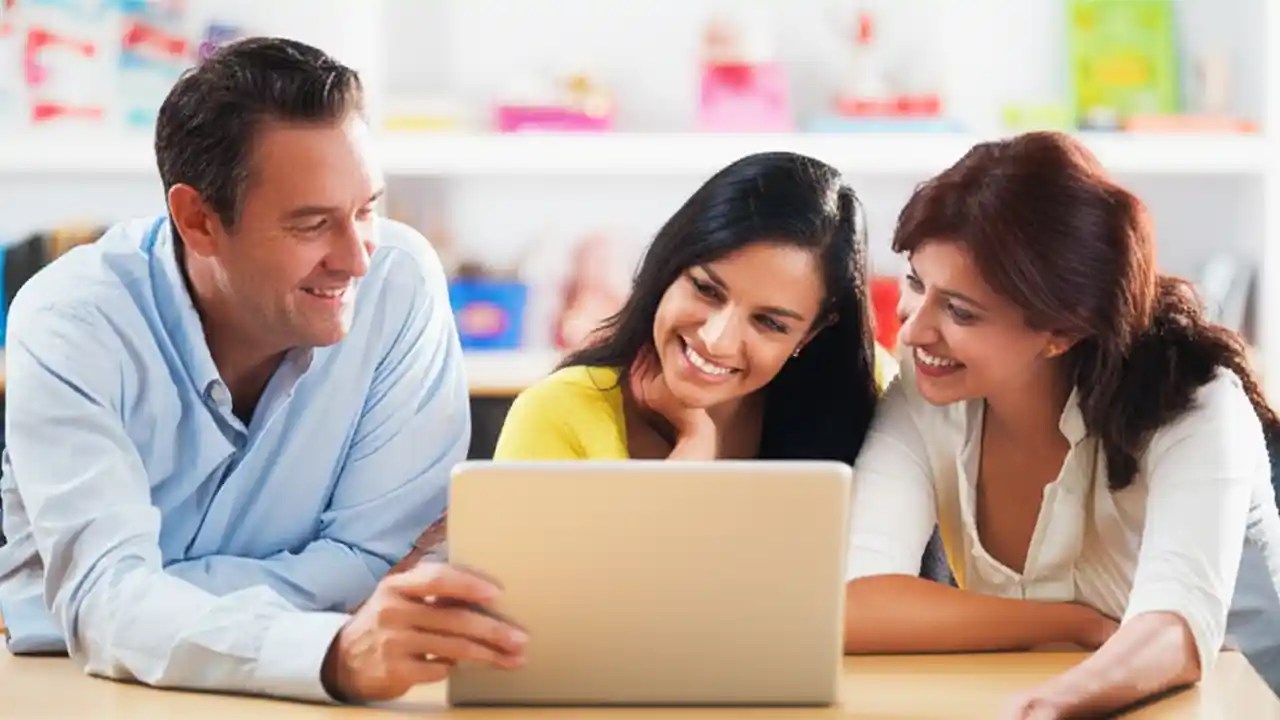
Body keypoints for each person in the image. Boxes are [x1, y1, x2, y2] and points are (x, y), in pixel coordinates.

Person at [0, 38, 526, 704]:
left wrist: (139, 605)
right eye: (312, 225)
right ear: (198, 220)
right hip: (72, 693)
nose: (357, 258)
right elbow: (106, 605)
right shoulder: (71, 319)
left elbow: (380, 565)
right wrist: (330, 647)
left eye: (366, 211)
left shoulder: (400, 284)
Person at [842, 131, 1280, 718]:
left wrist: (1051, 701)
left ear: (1062, 330)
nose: (914, 329)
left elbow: (1175, 637)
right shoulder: (929, 393)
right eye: (917, 283)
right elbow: (858, 604)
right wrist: (1070, 625)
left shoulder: (1197, 404)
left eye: (960, 310)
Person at [493, 151, 888, 467]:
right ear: (668, 266)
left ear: (813, 333)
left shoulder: (869, 392)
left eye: (769, 322)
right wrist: (692, 453)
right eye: (705, 289)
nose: (716, 340)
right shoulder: (557, 414)